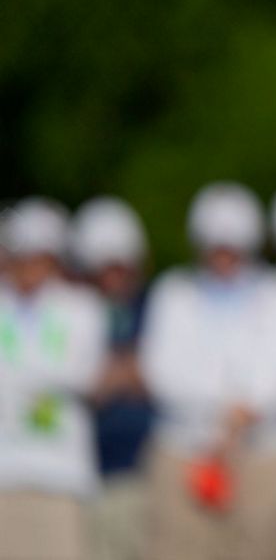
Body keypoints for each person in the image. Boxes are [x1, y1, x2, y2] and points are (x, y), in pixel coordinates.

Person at [138, 182, 276, 560]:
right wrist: (222, 412)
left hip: (266, 450)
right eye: (216, 248)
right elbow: (160, 371)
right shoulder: (173, 293)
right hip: (185, 452)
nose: (224, 257)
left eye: (232, 248)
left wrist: (249, 409)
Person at [0, 197, 108, 560]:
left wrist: (18, 375)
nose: (29, 266)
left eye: (39, 255)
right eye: (21, 254)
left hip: (61, 475)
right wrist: (42, 373)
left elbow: (83, 374)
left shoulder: (81, 307)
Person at [70, 196, 155, 560]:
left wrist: (112, 374)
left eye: (120, 267)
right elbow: (80, 383)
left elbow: (162, 375)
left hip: (144, 474)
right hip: (85, 477)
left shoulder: (154, 307)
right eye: (102, 268)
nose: (112, 277)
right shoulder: (70, 310)